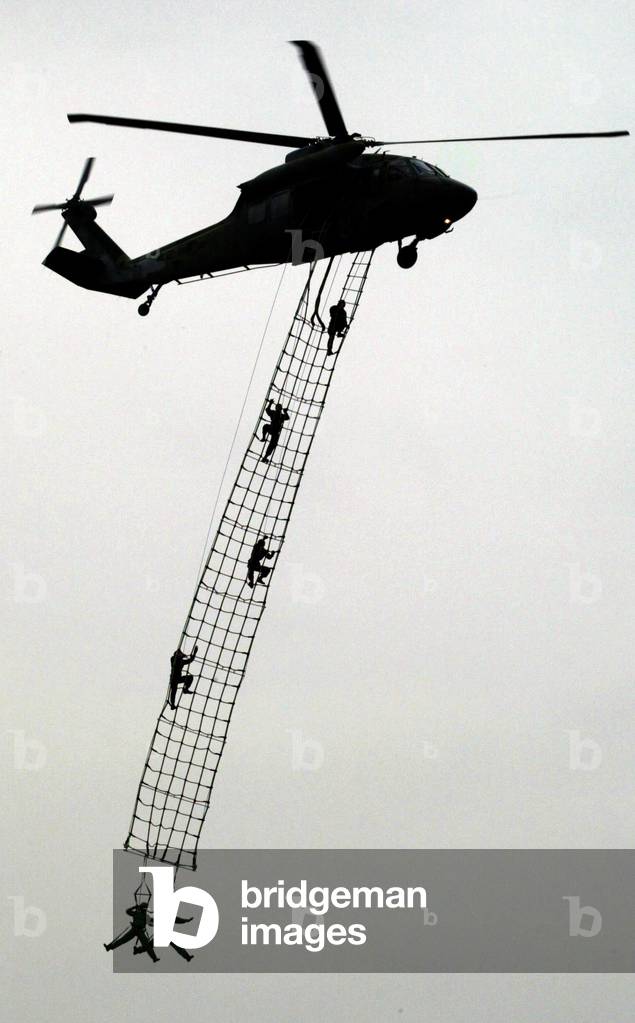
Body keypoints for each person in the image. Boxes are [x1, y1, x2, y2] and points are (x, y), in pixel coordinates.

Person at [104, 902, 194, 963]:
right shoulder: (142, 914)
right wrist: (135, 907)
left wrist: (186, 920)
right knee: (145, 945)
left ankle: (186, 957)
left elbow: (176, 919)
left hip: (162, 935)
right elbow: (149, 921)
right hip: (146, 932)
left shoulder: (155, 916)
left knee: (150, 946)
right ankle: (114, 947)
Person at [169, 645, 198, 710]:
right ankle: (172, 704)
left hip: (178, 678)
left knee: (190, 677)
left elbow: (190, 660)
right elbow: (176, 659)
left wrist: (194, 653)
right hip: (174, 678)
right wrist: (183, 656)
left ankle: (185, 689)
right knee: (174, 691)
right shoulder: (173, 659)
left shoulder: (182, 661)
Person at [260, 399, 290, 463]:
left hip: (276, 432)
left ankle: (265, 457)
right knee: (265, 426)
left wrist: (285, 412)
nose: (279, 408)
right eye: (278, 407)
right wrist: (270, 403)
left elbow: (287, 417)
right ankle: (263, 438)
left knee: (272, 445)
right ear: (276, 408)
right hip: (272, 429)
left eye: (280, 408)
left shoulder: (281, 415)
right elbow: (267, 410)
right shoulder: (274, 413)